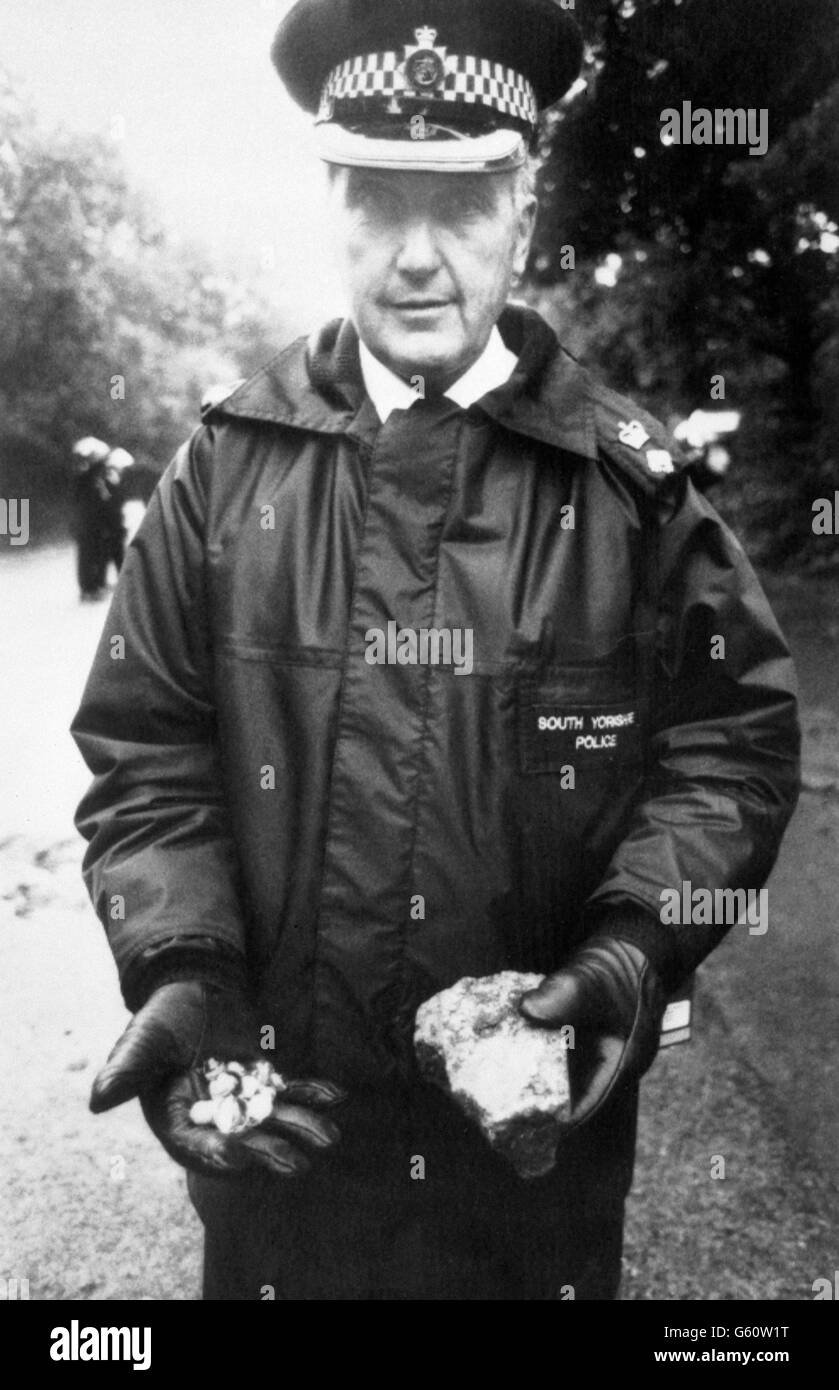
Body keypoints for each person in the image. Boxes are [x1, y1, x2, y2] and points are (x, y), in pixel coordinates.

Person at [71, 0, 800, 1301]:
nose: (416, 257)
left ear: (521, 209)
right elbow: (145, 751)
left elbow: (728, 744)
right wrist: (181, 968)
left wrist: (630, 945)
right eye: (375, 199)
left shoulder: (628, 489)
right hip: (282, 1164)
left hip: (529, 1179)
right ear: (329, 204)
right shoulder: (223, 468)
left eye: (457, 204)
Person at [70, 439, 134, 599]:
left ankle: (93, 586)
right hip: (90, 523)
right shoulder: (93, 478)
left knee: (93, 556)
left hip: (88, 523)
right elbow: (105, 501)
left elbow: (108, 500)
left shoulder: (90, 477)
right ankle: (90, 588)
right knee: (90, 557)